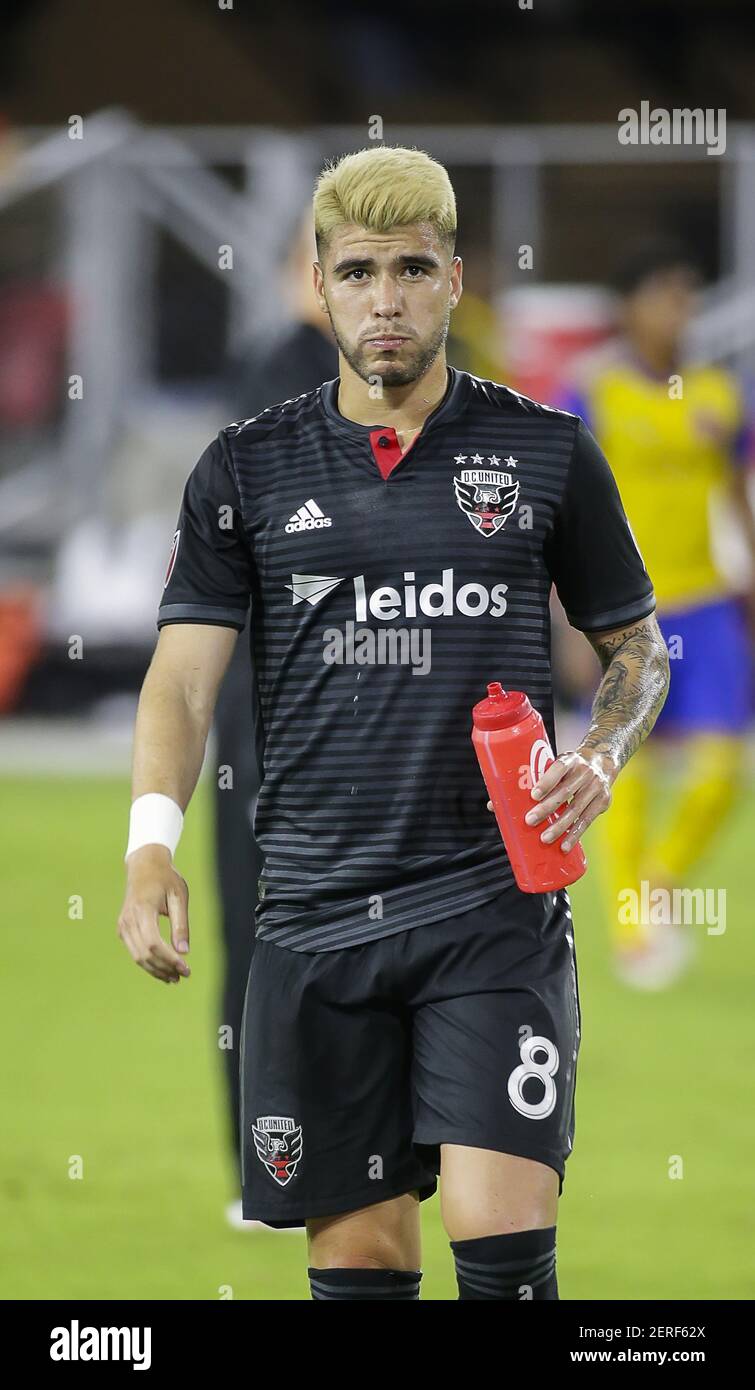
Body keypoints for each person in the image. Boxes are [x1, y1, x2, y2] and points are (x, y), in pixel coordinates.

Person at [117, 145, 669, 1301]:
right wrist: (149, 843)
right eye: (358, 271)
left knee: (499, 1245)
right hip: (314, 916)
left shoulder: (545, 450)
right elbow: (179, 682)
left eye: (411, 269)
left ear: (454, 279)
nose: (385, 298)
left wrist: (602, 753)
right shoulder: (244, 469)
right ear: (317, 284)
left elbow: (633, 650)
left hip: (490, 910)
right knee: (361, 1261)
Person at [560, 243, 755, 988]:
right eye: (668, 295)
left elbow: (737, 492)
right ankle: (633, 929)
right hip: (621, 609)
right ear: (629, 305)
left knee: (719, 770)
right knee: (621, 768)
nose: (682, 311)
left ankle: (663, 880)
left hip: (706, 604)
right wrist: (567, 619)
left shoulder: (717, 393)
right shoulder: (591, 393)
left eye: (688, 297)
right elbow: (564, 514)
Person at [213, 217, 336, 1230]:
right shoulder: (282, 374)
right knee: (271, 933)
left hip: (317, 697)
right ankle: (271, 1173)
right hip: (276, 701)